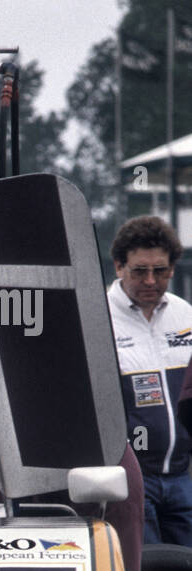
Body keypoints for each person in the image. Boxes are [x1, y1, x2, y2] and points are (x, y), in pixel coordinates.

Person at [109, 215, 192, 546]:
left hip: (182, 477)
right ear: (119, 267)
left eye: (160, 271)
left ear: (173, 268)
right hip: (131, 481)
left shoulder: (185, 315)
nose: (150, 280)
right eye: (139, 270)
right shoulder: (99, 318)